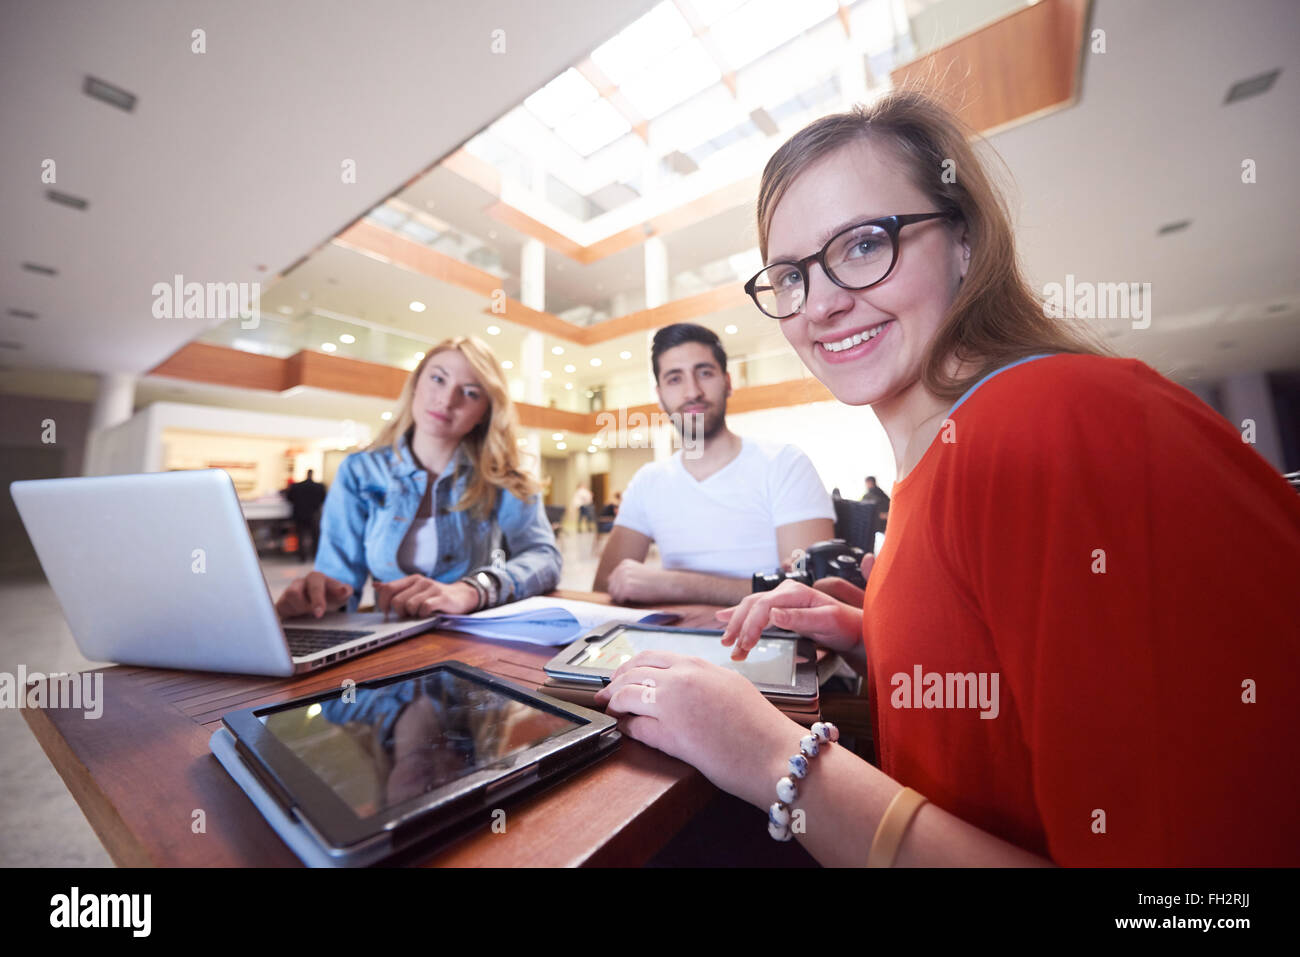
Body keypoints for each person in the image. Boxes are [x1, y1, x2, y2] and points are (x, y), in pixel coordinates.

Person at [593, 90, 1300, 866]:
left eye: (863, 244)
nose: (822, 303)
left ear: (963, 240)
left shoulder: (1058, 423)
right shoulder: (939, 464)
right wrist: (876, 631)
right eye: (790, 275)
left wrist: (767, 756)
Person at [275, 336, 561, 620]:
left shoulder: (502, 478)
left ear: (484, 414)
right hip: (387, 640)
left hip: (472, 637)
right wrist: (316, 601)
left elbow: (544, 558)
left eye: (471, 393)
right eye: (438, 379)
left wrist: (474, 589)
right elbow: (339, 582)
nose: (447, 400)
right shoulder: (360, 471)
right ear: (415, 385)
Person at [592, 322, 835, 606]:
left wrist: (677, 585)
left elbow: (813, 593)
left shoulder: (784, 464)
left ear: (728, 382)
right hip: (674, 641)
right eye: (674, 379)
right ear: (659, 396)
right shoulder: (648, 480)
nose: (692, 391)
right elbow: (605, 588)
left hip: (771, 643)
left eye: (704, 373)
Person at [282, 469, 326, 562]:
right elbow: (323, 499)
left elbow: (289, 498)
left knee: (301, 535)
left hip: (300, 514)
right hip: (314, 514)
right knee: (315, 536)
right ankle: (315, 556)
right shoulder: (319, 486)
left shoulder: (296, 486)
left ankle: (302, 557)